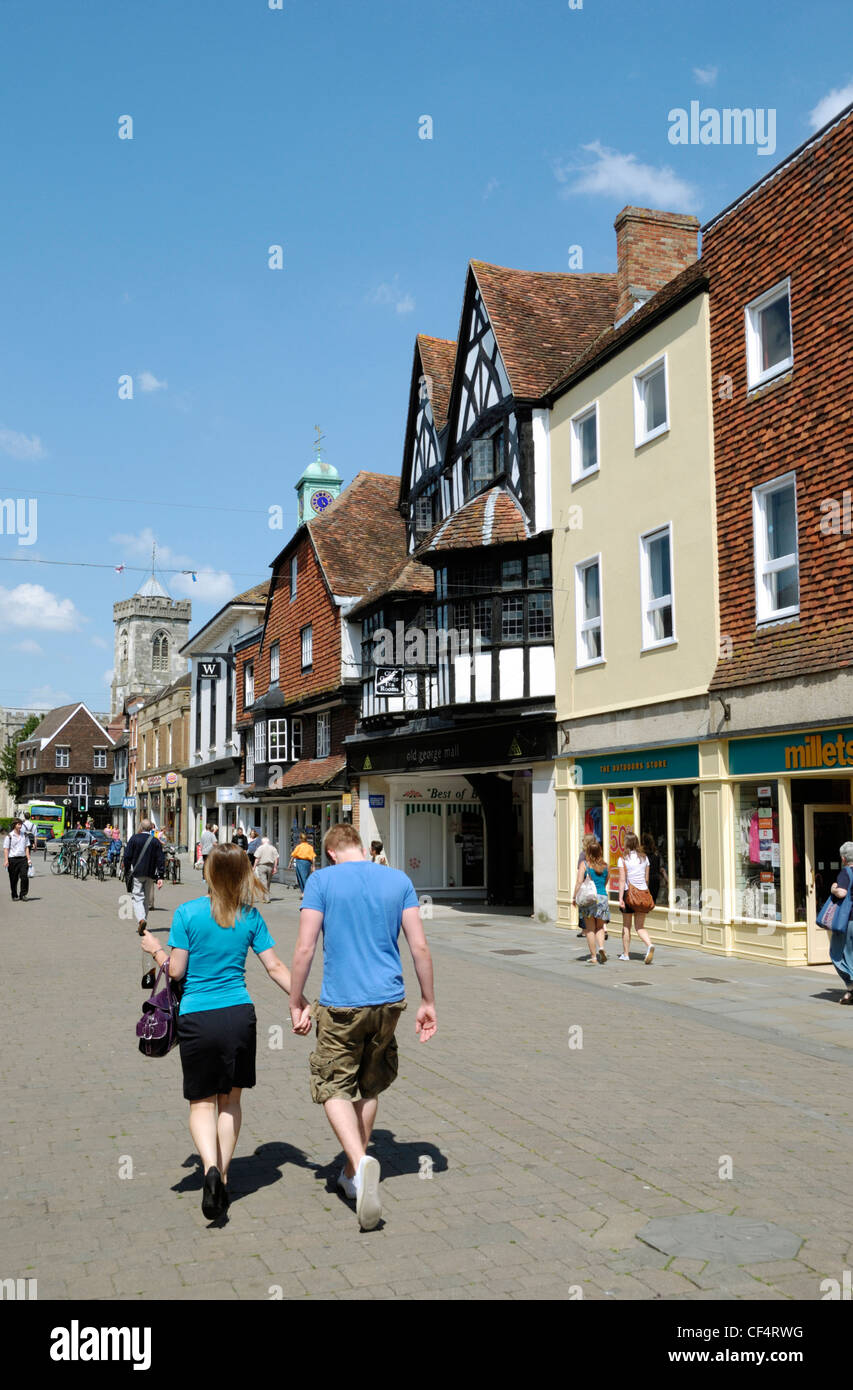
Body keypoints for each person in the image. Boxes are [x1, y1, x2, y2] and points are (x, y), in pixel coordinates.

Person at [289, 823, 437, 1232]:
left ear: (333, 851)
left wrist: (295, 998)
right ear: (358, 846)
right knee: (369, 1084)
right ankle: (355, 1173)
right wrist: (428, 1001)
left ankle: (358, 1163)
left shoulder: (321, 880)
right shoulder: (399, 880)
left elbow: (305, 946)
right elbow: (419, 945)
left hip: (341, 1004)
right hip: (389, 1001)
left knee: (332, 1083)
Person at [138, 842, 293, 1219]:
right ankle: (222, 1175)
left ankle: (208, 1166)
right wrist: (302, 999)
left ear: (207, 872)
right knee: (231, 1101)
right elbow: (274, 967)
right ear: (243, 874)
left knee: (202, 1102)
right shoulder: (250, 917)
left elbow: (175, 972)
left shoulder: (187, 913)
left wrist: (155, 948)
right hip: (239, 1016)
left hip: (198, 1018)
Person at [618, 832, 655, 964]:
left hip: (629, 895)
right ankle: (649, 945)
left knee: (626, 926)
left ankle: (626, 954)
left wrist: (620, 898)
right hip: (643, 894)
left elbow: (622, 880)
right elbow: (646, 879)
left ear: (626, 843)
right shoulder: (645, 858)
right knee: (639, 926)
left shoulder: (623, 859)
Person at [123, 818, 166, 931]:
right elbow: (161, 859)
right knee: (146, 899)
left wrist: (127, 869)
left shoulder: (134, 839)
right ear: (151, 828)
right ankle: (143, 921)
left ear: (141, 827)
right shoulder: (155, 841)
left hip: (137, 873)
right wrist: (161, 876)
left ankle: (142, 920)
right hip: (150, 874)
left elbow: (127, 856)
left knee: (137, 897)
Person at [574, 837, 609, 964]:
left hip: (589, 899)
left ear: (588, 852)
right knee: (600, 927)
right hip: (602, 898)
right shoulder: (605, 866)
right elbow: (605, 882)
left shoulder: (585, 865)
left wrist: (574, 897)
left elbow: (579, 882)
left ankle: (594, 957)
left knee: (590, 929)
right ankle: (602, 948)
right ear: (600, 851)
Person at [827, 842, 853, 1004]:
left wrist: (833, 889)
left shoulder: (846, 872)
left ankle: (850, 988)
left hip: (848, 921)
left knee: (838, 954)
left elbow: (842, 893)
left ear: (843, 859)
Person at [4, 817, 32, 902]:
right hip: (12, 859)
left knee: (24, 877)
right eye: (18, 824)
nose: (20, 826)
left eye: (21, 824)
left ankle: (23, 894)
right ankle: (14, 895)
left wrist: (29, 859)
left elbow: (27, 847)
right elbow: (6, 849)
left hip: (23, 859)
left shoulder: (25, 835)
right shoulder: (9, 836)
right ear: (14, 825)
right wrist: (6, 860)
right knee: (13, 879)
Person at [642, 832, 667, 909]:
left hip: (646, 879)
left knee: (645, 902)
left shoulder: (642, 855)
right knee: (653, 902)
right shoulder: (656, 854)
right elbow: (661, 868)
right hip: (655, 879)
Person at [253, 837, 280, 903]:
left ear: (262, 842)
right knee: (268, 882)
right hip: (270, 866)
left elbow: (257, 858)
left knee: (263, 882)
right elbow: (276, 858)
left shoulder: (260, 848)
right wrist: (275, 867)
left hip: (262, 866)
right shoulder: (273, 848)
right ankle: (265, 897)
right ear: (268, 842)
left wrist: (254, 867)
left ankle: (266, 898)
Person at [289, 831, 316, 896]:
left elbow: (293, 856)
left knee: (301, 878)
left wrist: (290, 863)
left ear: (300, 839)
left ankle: (305, 892)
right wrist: (313, 866)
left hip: (299, 862)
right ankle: (304, 892)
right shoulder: (310, 847)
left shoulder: (299, 846)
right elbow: (313, 858)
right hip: (307, 862)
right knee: (305, 877)